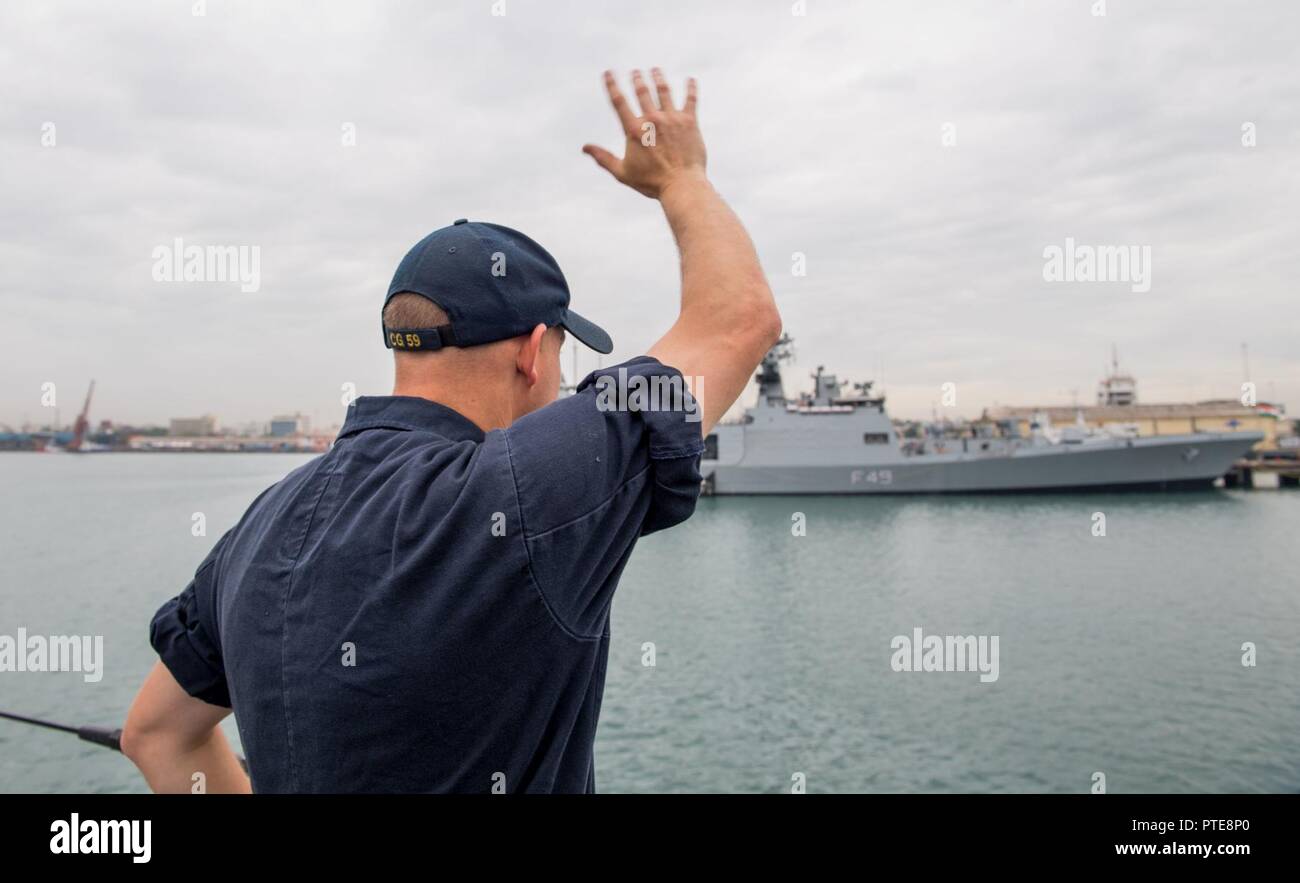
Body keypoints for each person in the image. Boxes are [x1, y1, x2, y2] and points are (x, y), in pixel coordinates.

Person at [122, 68, 781, 793]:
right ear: (533, 352)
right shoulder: (521, 494)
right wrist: (681, 176)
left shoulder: (259, 526)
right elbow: (737, 321)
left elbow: (156, 734)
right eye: (562, 354)